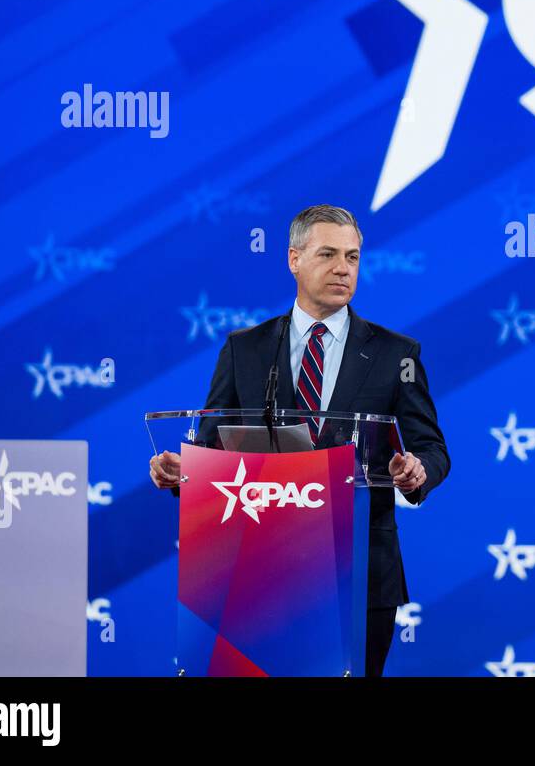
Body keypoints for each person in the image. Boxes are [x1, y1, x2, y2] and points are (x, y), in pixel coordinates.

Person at [149, 204, 450, 675]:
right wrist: (177, 474)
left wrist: (415, 472)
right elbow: (209, 450)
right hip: (256, 571)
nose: (343, 268)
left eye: (352, 257)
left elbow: (431, 448)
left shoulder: (397, 354)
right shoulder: (244, 349)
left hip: (360, 577)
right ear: (293, 259)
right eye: (328, 254)